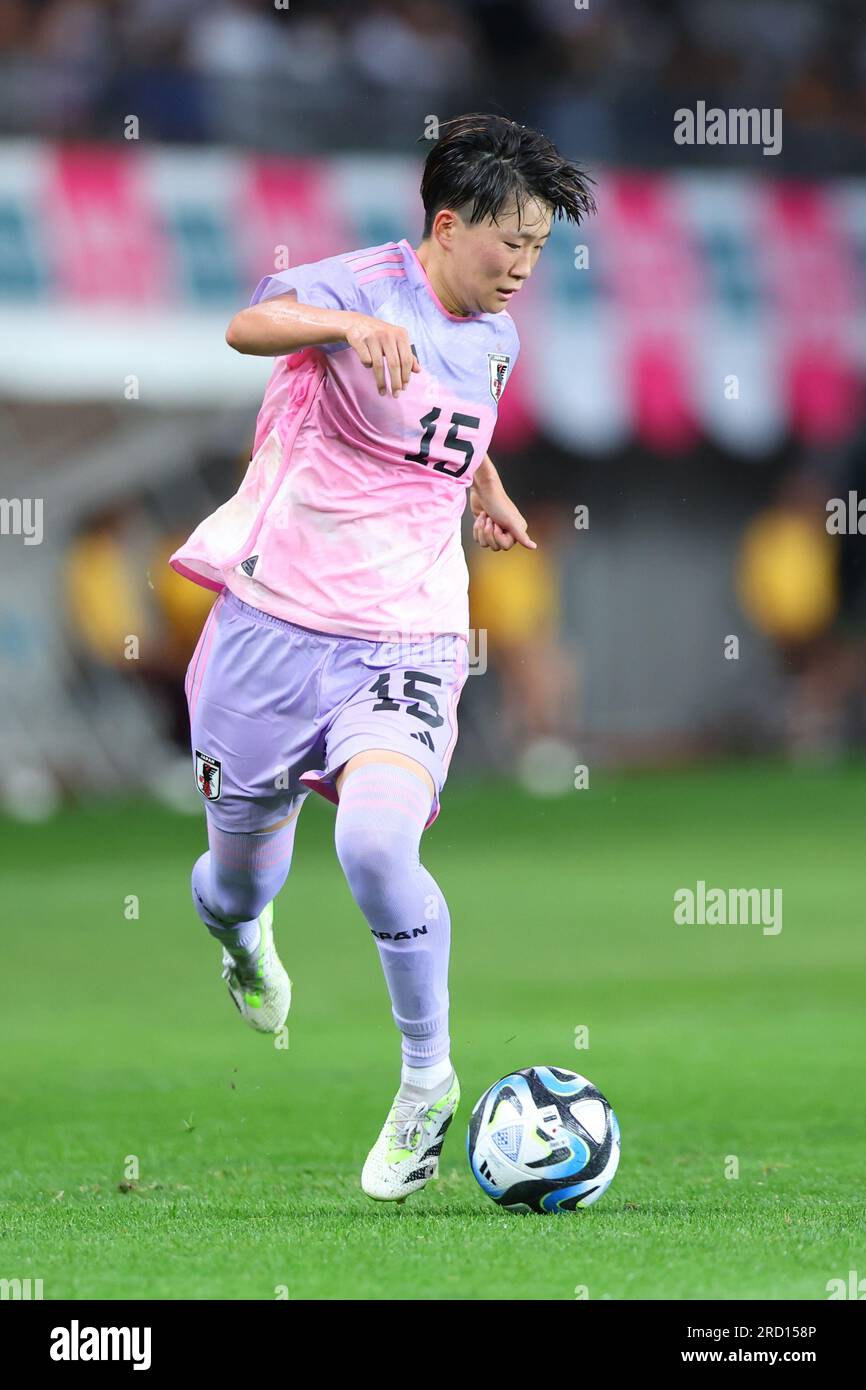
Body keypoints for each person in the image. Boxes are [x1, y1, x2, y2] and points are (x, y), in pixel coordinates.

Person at [169, 112, 596, 1202]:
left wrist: (486, 491)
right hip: (271, 627)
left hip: (405, 632)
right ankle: (244, 936)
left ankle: (424, 1079)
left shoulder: (495, 336)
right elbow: (245, 323)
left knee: (371, 841)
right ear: (447, 226)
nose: (522, 267)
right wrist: (339, 328)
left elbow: (457, 425)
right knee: (229, 883)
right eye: (510, 242)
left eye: (539, 250)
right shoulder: (359, 287)